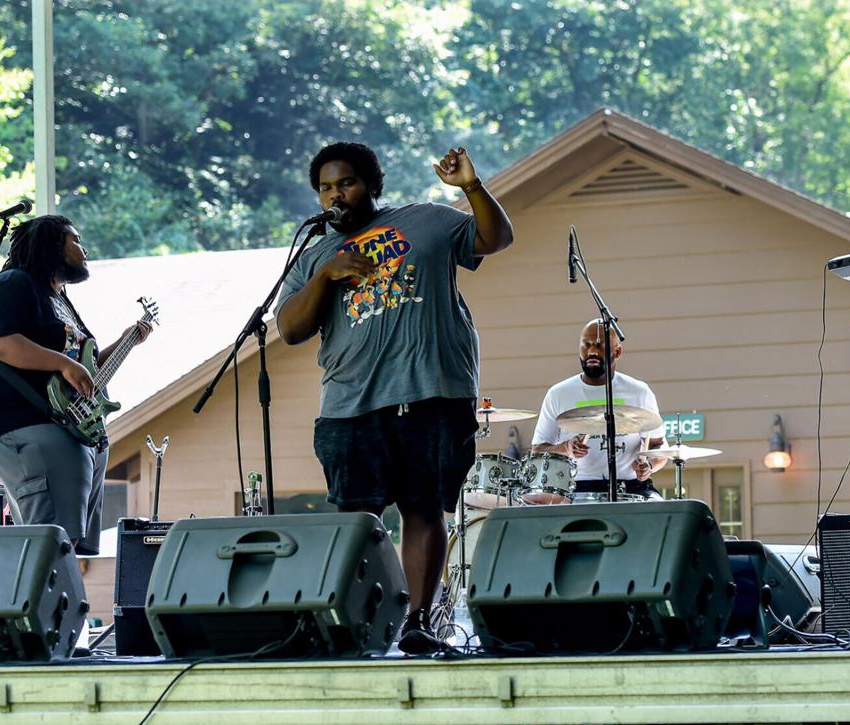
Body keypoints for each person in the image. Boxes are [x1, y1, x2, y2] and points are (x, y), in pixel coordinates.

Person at [276, 142, 514, 654]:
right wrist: (324, 275)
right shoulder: (314, 253)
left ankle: (418, 622)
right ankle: (353, 621)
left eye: (346, 183)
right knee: (352, 516)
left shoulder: (426, 221)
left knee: (424, 507)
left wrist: (471, 187)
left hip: (430, 392)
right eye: (325, 188)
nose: (335, 194)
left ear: (372, 184)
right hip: (349, 401)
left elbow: (496, 238)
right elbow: (291, 329)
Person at [0, 215, 152, 555]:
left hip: (74, 429)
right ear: (52, 244)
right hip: (27, 423)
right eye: (76, 239)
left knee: (67, 546)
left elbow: (85, 369)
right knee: (49, 545)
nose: (84, 249)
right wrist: (63, 362)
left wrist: (124, 343)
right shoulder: (13, 283)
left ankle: (62, 609)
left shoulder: (59, 299)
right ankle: (34, 609)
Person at [531, 319, 668, 499]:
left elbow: (660, 446)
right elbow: (537, 451)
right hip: (575, 488)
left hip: (631, 486)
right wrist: (565, 448)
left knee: (660, 514)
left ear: (617, 351)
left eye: (600, 345)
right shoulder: (558, 394)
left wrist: (649, 466)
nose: (592, 351)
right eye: (586, 345)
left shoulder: (639, 392)